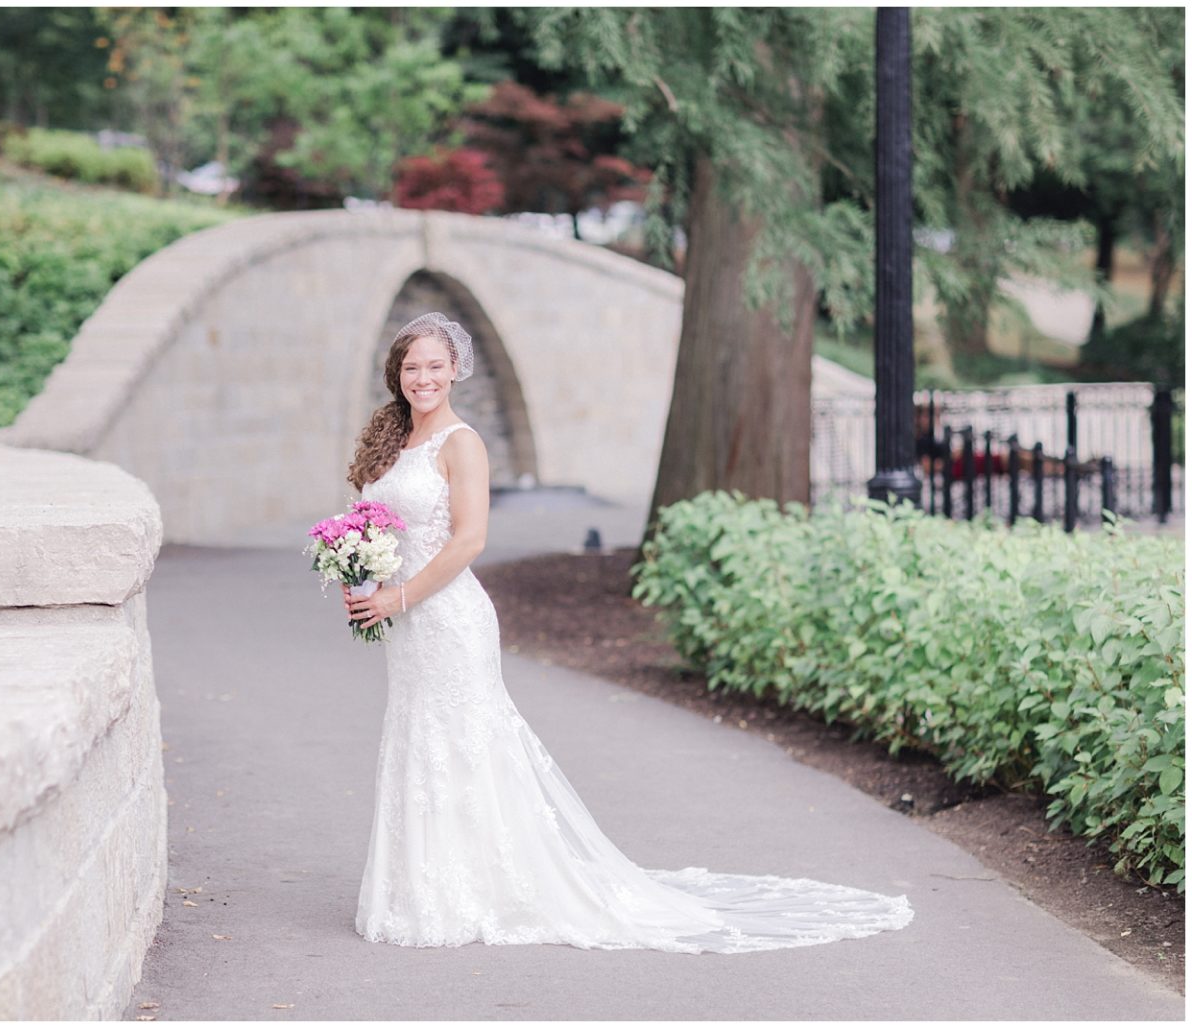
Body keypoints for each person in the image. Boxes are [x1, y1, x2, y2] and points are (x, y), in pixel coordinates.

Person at [340, 312, 915, 952]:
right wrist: (359, 575)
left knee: (461, 744)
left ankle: (475, 889)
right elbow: (376, 526)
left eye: (434, 366)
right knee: (418, 736)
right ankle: (421, 886)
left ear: (454, 371)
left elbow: (469, 539)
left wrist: (398, 595)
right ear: (396, 373)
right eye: (411, 367)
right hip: (406, 623)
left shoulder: (461, 443)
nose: (422, 377)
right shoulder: (393, 440)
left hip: (447, 618)